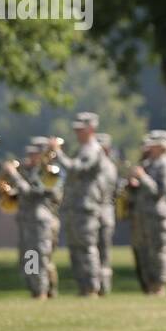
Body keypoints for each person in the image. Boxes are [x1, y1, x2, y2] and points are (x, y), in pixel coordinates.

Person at [53, 113, 105, 296]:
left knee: (86, 247)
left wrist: (58, 153)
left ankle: (92, 287)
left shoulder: (92, 150)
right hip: (74, 207)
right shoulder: (81, 149)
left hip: (85, 207)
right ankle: (83, 288)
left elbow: (77, 169)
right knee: (75, 249)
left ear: (91, 128)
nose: (77, 133)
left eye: (80, 129)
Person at [5, 140, 61, 299]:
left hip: (40, 222)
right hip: (27, 220)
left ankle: (42, 291)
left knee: (39, 257)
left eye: (34, 154)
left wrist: (14, 175)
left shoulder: (49, 172)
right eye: (29, 154)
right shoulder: (31, 171)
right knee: (30, 257)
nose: (30, 157)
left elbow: (30, 192)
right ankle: (36, 289)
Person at [129, 130, 166, 295]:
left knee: (158, 252)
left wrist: (143, 178)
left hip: (157, 215)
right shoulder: (148, 163)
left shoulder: (165, 165)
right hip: (142, 214)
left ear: (161, 146)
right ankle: (148, 285)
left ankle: (159, 285)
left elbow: (160, 191)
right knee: (143, 251)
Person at [94, 133, 120, 295]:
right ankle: (95, 285)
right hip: (96, 211)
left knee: (103, 252)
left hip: (103, 211)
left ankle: (104, 287)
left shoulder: (108, 167)